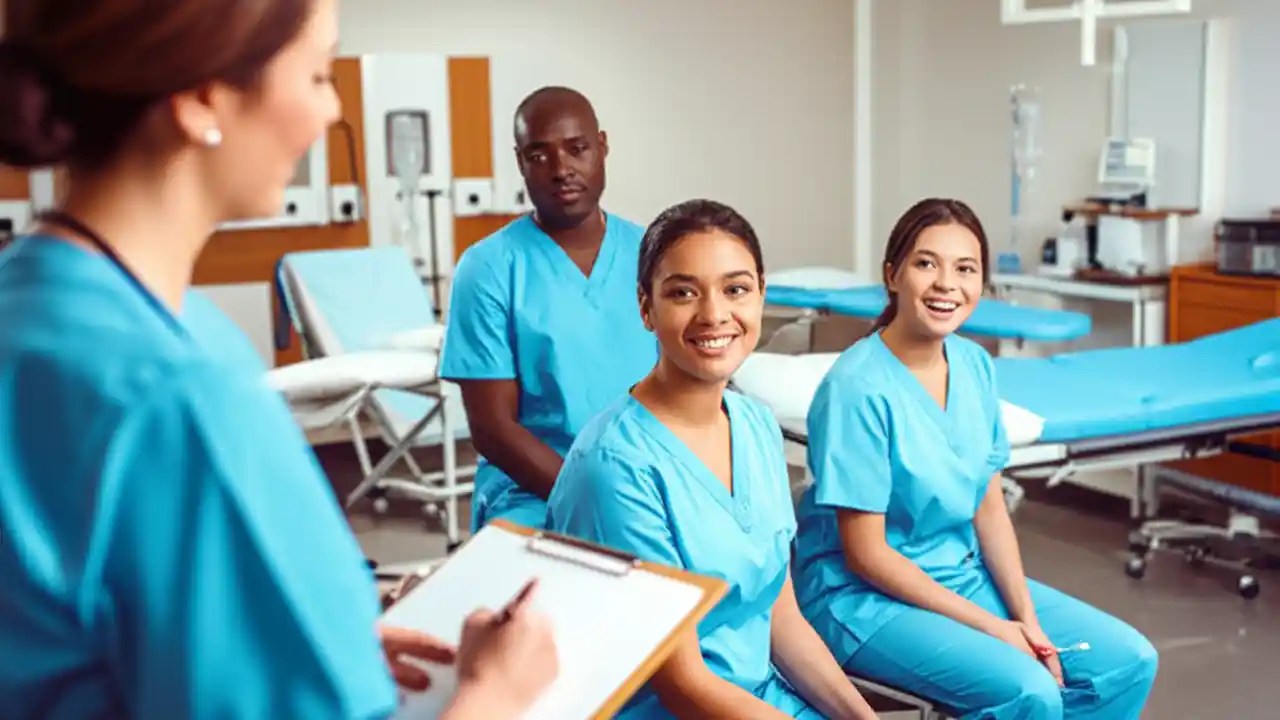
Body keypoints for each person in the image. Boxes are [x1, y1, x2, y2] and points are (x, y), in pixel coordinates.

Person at [0, 1, 555, 717]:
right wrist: (498, 691)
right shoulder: (183, 396)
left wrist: (319, 630)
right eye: (321, 74)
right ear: (203, 95)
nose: (330, 112)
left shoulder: (38, 303)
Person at [791, 197, 1160, 719]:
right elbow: (866, 555)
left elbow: (987, 506)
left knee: (1128, 661)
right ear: (892, 276)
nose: (947, 284)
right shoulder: (857, 388)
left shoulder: (973, 365)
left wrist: (1027, 620)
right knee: (1028, 692)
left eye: (965, 269)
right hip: (861, 601)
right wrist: (996, 628)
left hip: (960, 576)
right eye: (926, 264)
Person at [547, 199, 879, 720]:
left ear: (761, 296)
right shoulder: (616, 467)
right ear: (645, 307)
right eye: (683, 292)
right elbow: (683, 685)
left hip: (758, 701)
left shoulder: (755, 425)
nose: (714, 314)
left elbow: (779, 615)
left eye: (736, 289)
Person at [439, 86, 658, 532]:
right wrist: (595, 500)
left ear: (602, 147)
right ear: (520, 162)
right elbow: (493, 430)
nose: (562, 170)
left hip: (652, 483)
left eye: (577, 149)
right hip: (534, 492)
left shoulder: (653, 252)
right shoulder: (489, 269)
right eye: (539, 156)